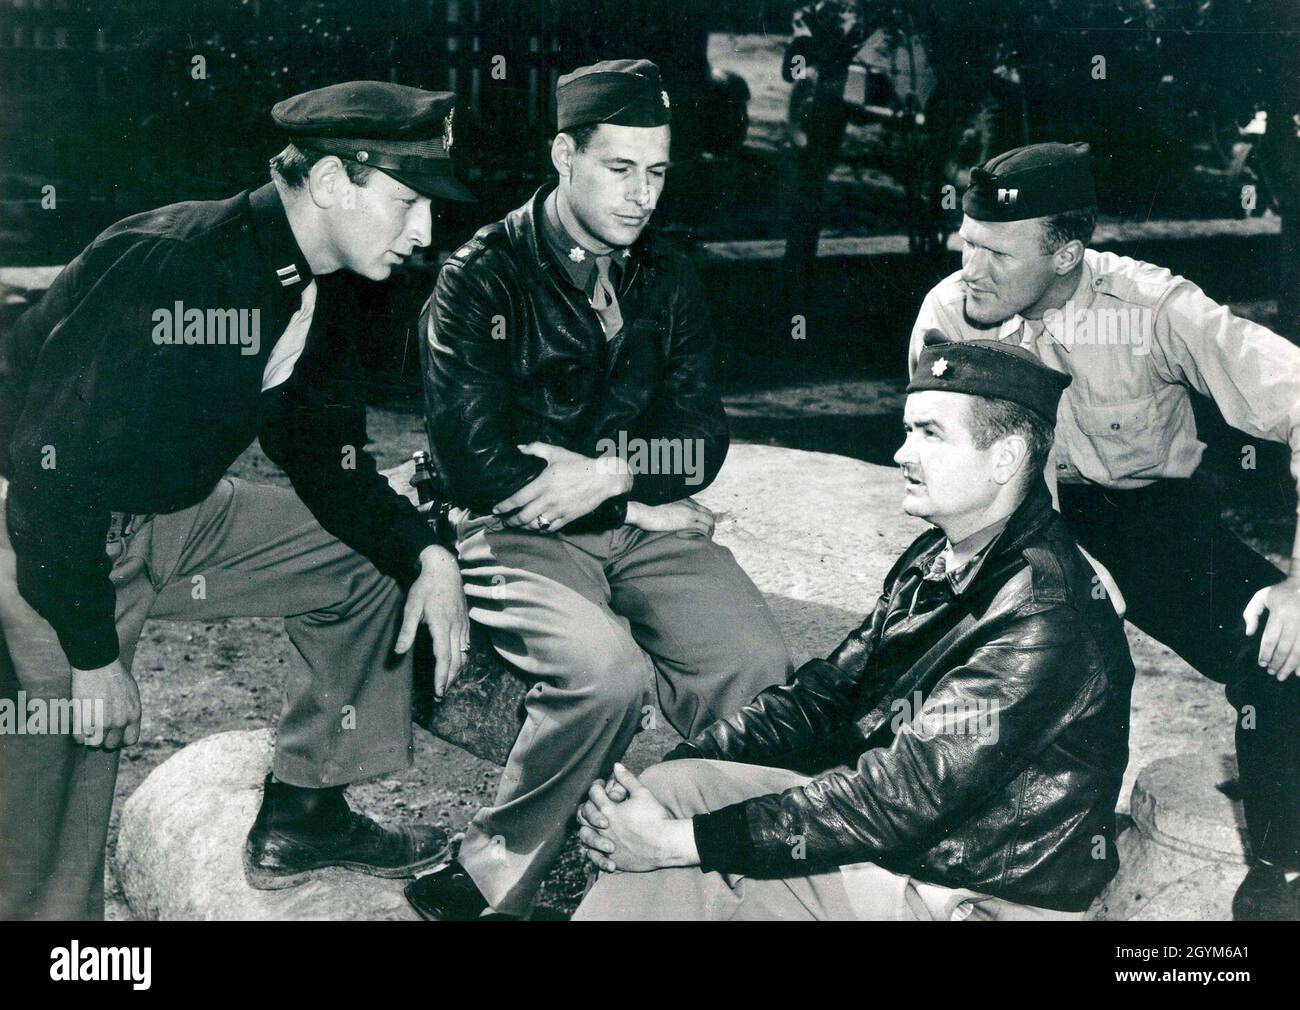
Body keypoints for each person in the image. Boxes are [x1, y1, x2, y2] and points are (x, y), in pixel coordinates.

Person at [0, 81, 474, 920]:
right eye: (407, 201)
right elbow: (52, 468)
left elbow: (325, 454)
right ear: (331, 180)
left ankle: (306, 812)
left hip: (166, 515)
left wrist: (424, 550)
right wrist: (91, 654)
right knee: (55, 788)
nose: (424, 231)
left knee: (366, 565)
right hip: (37, 533)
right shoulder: (180, 262)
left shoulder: (321, 277)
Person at [405, 59, 792, 920]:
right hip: (517, 528)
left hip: (636, 522)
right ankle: (490, 873)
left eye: (656, 172)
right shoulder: (481, 277)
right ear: (563, 156)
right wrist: (635, 496)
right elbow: (478, 463)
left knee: (757, 668)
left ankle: (693, 862)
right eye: (619, 168)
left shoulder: (667, 275)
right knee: (606, 674)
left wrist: (614, 478)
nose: (641, 195)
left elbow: (703, 439)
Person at [572, 335, 1135, 920]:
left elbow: (901, 794)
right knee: (678, 787)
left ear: (1006, 459)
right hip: (914, 859)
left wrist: (671, 841)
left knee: (680, 844)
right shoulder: (941, 554)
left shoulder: (1043, 615)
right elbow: (825, 696)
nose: (901, 453)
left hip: (979, 898)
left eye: (930, 434)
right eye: (908, 430)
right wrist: (671, 771)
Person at [909, 141, 1300, 914]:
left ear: (1068, 254)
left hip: (1155, 524)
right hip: (1010, 521)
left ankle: (1284, 874)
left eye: (996, 252)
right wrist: (1063, 567)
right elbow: (940, 465)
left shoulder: (1153, 307)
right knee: (970, 683)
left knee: (1282, 659)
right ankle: (952, 864)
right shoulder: (950, 312)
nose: (969, 268)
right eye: (966, 243)